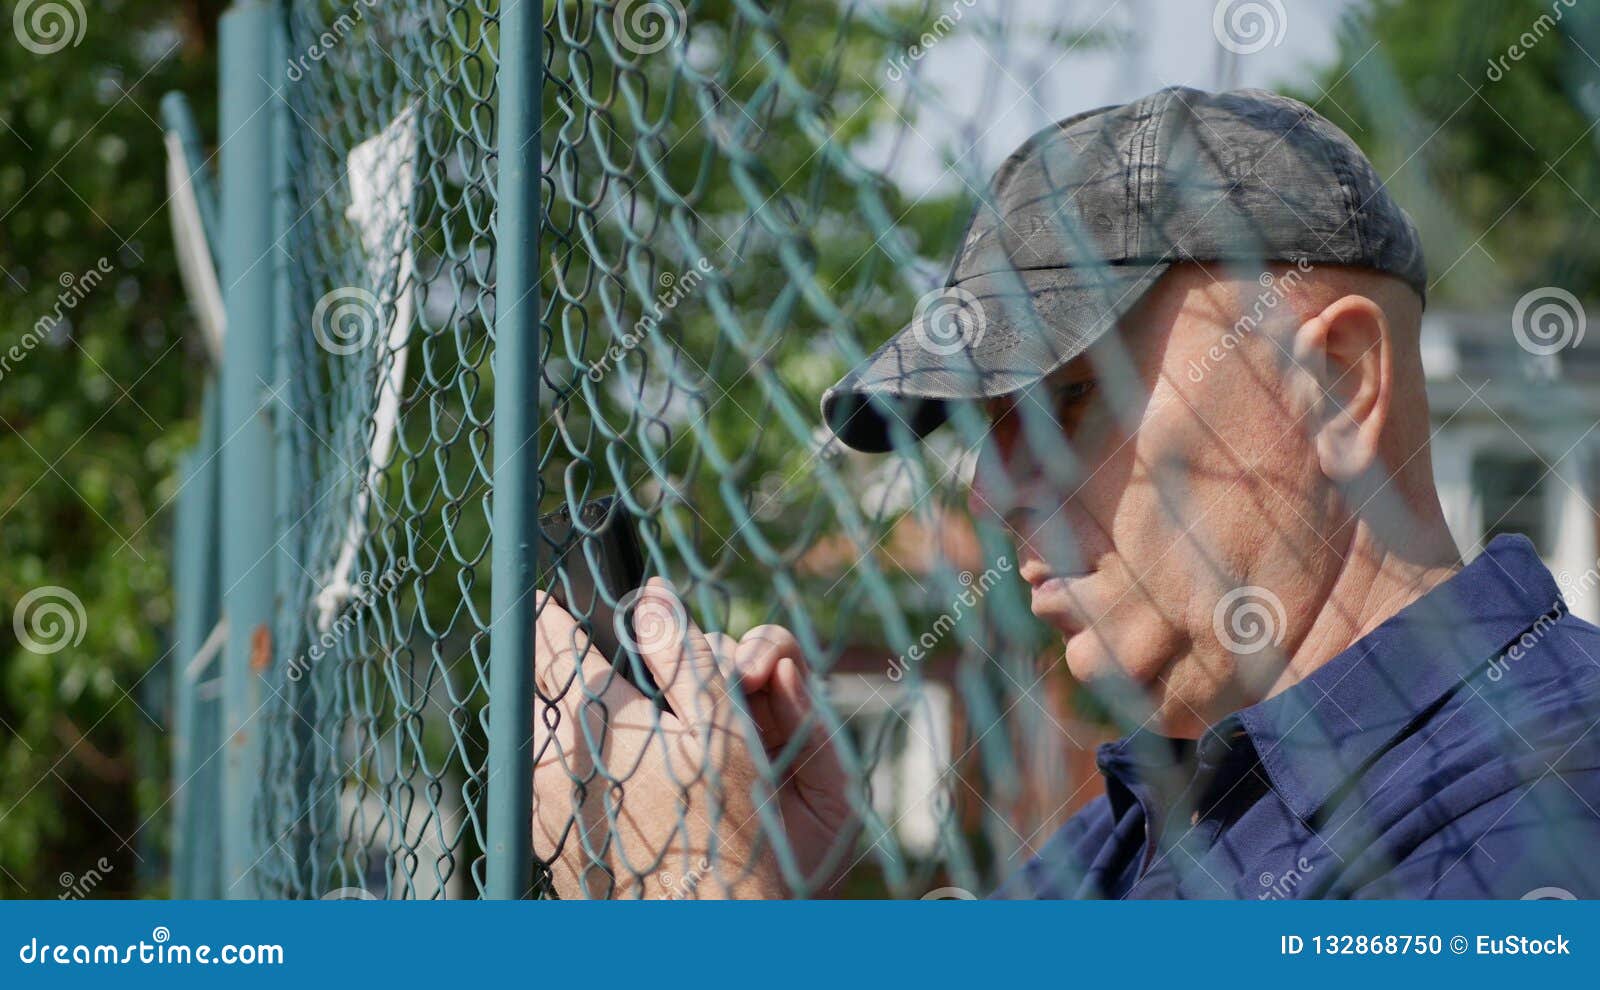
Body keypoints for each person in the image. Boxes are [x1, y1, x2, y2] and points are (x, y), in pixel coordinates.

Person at [531, 86, 1600, 899]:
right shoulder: (1129, 829)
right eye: (983, 424)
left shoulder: (1550, 795)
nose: (990, 490)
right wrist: (782, 875)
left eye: (1066, 401)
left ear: (1335, 382)